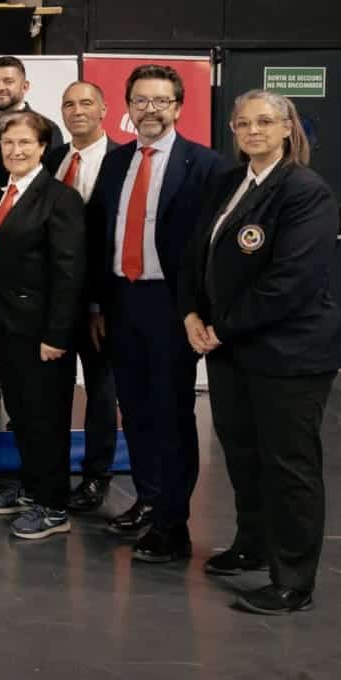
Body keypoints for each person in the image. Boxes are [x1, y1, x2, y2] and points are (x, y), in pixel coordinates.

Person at [180, 91, 341, 615]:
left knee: (288, 464)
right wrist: (191, 314)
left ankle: (293, 579)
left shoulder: (305, 192)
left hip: (287, 352)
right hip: (229, 348)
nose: (254, 131)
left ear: (288, 129)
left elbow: (289, 282)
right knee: (244, 455)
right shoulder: (229, 183)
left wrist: (220, 327)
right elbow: (194, 255)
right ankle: (253, 543)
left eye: (266, 122)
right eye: (244, 123)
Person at [88, 64, 225, 564]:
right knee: (136, 410)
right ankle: (148, 501)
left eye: (161, 101)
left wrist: (198, 310)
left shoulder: (206, 166)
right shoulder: (115, 162)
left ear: (178, 108)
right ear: (127, 107)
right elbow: (102, 233)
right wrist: (98, 304)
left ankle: (173, 524)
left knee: (170, 414)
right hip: (121, 302)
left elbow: (212, 246)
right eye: (141, 100)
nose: (150, 110)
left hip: (171, 304)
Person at [0, 111, 87, 540]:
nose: (15, 151)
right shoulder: (1, 193)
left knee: (47, 418)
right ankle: (32, 488)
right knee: (22, 413)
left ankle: (53, 505)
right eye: (8, 144)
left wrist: (57, 335)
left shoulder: (59, 198)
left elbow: (69, 273)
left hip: (42, 333)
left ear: (43, 148)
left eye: (25, 143)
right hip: (5, 327)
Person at [0, 56, 65, 406]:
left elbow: (47, 190)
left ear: (25, 86)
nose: (1, 87)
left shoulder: (46, 128)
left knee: (15, 310)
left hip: (24, 238)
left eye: (8, 81)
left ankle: (14, 388)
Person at [44, 81, 122, 513]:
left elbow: (112, 241)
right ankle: (48, 472)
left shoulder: (122, 162)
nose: (77, 111)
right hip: (55, 302)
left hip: (100, 304)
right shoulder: (54, 158)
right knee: (51, 393)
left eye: (86, 103)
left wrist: (96, 304)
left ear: (104, 109)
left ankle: (96, 476)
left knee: (100, 391)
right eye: (69, 104)